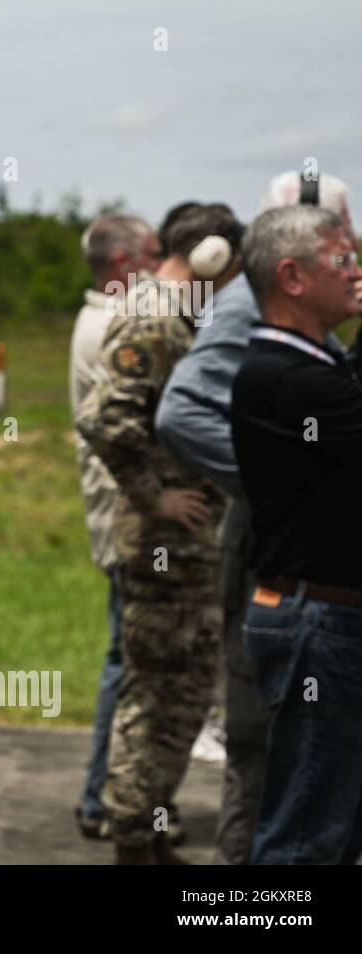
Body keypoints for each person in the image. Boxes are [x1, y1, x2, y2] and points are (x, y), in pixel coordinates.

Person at [155, 171, 357, 864]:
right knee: (269, 759)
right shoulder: (254, 311)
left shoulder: (294, 325)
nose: (355, 256)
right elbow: (180, 412)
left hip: (297, 561)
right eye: (344, 246)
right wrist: (280, 481)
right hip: (287, 564)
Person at [76, 203, 243, 863]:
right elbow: (104, 418)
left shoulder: (174, 314)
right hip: (164, 546)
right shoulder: (153, 317)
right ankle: (130, 840)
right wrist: (157, 497)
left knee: (183, 691)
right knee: (157, 695)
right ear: (210, 258)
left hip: (187, 547)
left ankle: (142, 829)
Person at [229, 205, 362, 863]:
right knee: (307, 838)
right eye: (345, 259)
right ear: (293, 276)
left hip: (325, 617)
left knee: (330, 827)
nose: (358, 272)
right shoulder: (284, 377)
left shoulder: (313, 368)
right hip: (322, 623)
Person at [69, 215, 162, 840]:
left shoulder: (99, 319)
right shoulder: (116, 327)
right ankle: (107, 797)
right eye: (155, 256)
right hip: (128, 516)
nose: (163, 270)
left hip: (116, 512)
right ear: (126, 262)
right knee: (131, 659)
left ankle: (107, 795)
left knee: (124, 655)